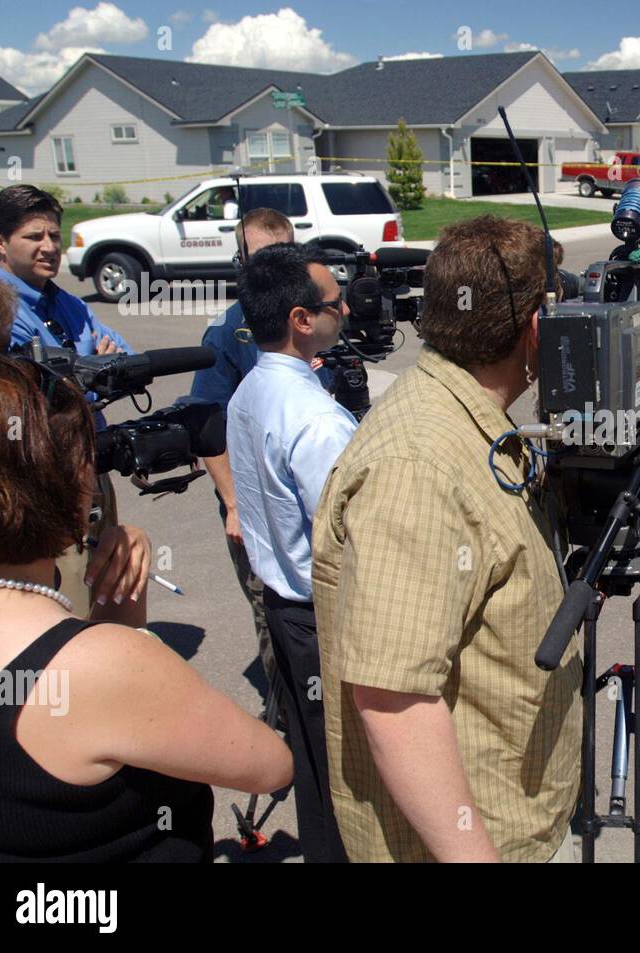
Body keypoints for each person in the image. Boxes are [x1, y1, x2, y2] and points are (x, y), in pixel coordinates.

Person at [313, 216, 582, 862]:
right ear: (534, 327)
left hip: (517, 811)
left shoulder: (474, 424)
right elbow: (392, 699)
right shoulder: (419, 468)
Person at [0, 353, 292, 861]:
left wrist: (120, 607)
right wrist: (130, 640)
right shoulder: (103, 665)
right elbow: (268, 765)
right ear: (68, 482)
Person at [226, 242, 357, 862]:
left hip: (280, 603)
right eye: (335, 302)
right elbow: (351, 533)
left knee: (313, 761)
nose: (348, 310)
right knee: (349, 775)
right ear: (301, 319)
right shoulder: (316, 421)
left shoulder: (248, 389)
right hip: (322, 618)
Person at [0, 188, 150, 627]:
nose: (49, 247)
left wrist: (92, 370)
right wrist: (92, 366)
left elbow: (126, 362)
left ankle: (107, 666)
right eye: (33, 236)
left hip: (91, 463)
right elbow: (53, 389)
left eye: (54, 236)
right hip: (42, 471)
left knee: (107, 583)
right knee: (64, 594)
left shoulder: (69, 303)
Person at [188, 208, 332, 689]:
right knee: (273, 614)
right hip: (256, 505)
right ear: (240, 259)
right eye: (261, 257)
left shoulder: (317, 319)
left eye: (283, 255)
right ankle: (288, 714)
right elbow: (208, 425)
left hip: (308, 488)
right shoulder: (229, 331)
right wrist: (232, 503)